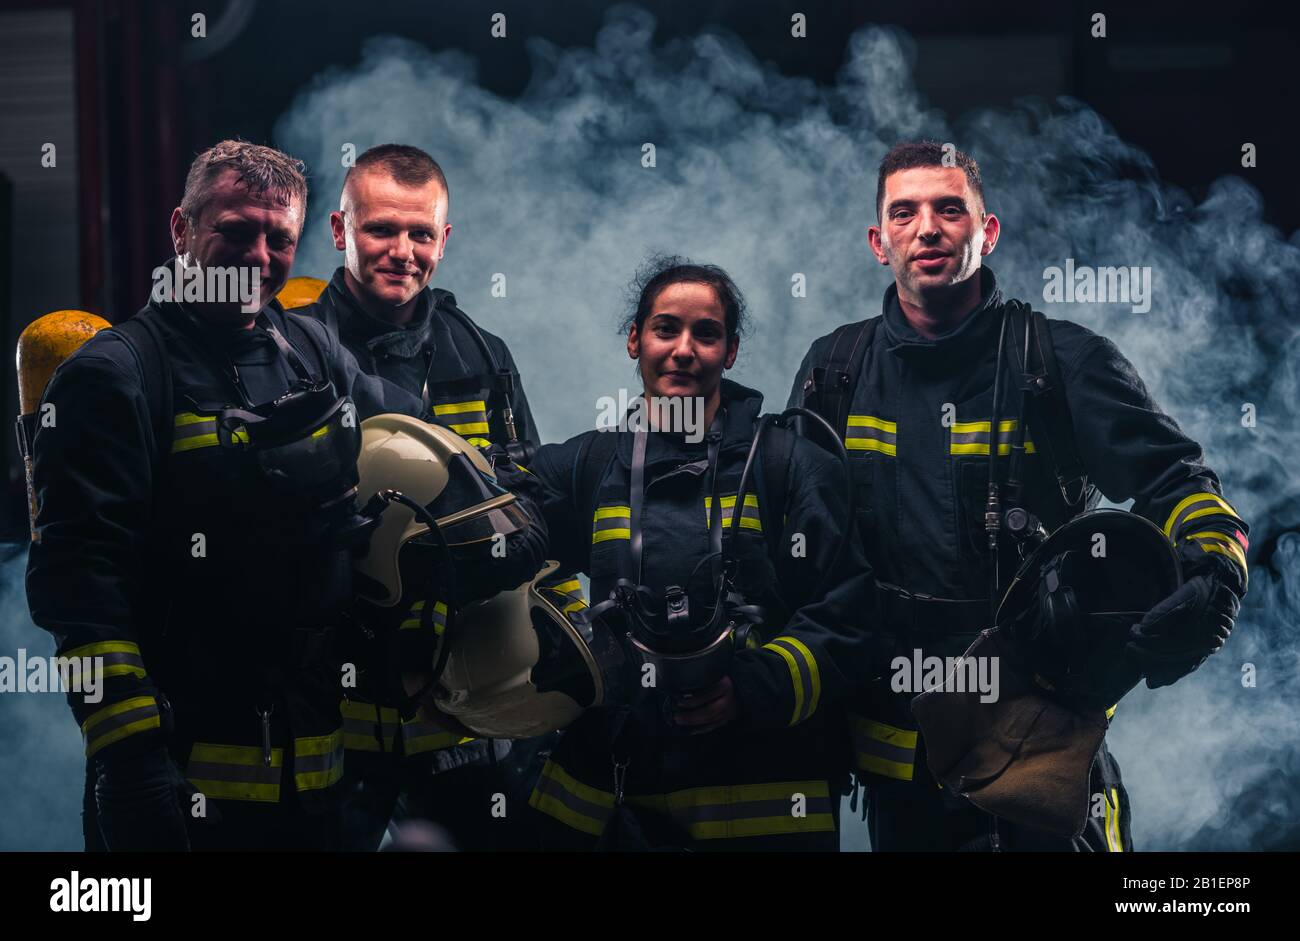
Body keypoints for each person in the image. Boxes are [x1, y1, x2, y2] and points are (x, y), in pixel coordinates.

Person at [787, 140, 1248, 851]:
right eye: (904, 213)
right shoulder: (834, 370)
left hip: (1044, 729)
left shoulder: (1062, 360)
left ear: (987, 230)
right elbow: (798, 545)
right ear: (880, 242)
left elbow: (1180, 482)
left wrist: (1217, 568)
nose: (928, 228)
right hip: (898, 755)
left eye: (949, 209)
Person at [28, 139, 439, 850]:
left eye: (278, 238)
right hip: (184, 787)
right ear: (181, 229)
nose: (257, 256)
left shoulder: (312, 352)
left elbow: (414, 438)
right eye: (235, 231)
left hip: (318, 781)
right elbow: (80, 586)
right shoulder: (117, 375)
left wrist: (507, 497)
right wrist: (131, 759)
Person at [525, 257, 877, 850]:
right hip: (620, 789)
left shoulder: (789, 466)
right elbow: (501, 537)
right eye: (665, 329)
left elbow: (850, 614)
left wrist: (753, 687)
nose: (683, 350)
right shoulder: (587, 466)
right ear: (635, 341)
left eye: (706, 334)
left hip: (769, 798)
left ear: (731, 351)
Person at [295, 144, 550, 850]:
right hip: (335, 706)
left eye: (420, 233)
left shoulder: (482, 352)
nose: (401, 250)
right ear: (341, 231)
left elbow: (527, 495)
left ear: (445, 239)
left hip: (464, 705)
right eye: (380, 229)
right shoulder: (293, 350)